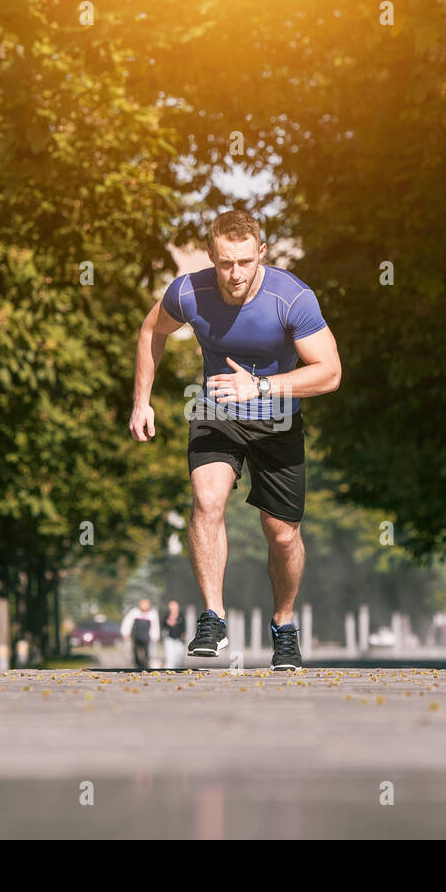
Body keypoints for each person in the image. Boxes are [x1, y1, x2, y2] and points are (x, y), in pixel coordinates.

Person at [128, 210, 341, 671]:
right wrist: (141, 401)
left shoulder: (292, 298)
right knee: (207, 502)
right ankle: (213, 617)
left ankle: (284, 625)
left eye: (245, 261)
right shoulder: (188, 292)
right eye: (226, 263)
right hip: (216, 409)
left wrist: (260, 386)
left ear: (261, 252)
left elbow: (330, 373)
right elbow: (151, 330)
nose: (236, 274)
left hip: (278, 417)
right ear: (211, 255)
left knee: (282, 535)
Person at [121, 597, 160, 670]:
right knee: (135, 654)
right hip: (136, 637)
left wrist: (155, 636)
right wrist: (125, 633)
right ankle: (138, 667)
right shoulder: (134, 612)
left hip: (146, 638)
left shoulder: (152, 614)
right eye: (142, 604)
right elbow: (127, 623)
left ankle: (145, 668)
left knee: (147, 655)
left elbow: (155, 626)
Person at [161, 600, 187, 669]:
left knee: (178, 657)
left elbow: (184, 628)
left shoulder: (181, 616)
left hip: (179, 640)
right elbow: (163, 627)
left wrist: (184, 636)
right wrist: (168, 622)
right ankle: (170, 670)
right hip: (169, 639)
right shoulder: (166, 616)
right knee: (170, 657)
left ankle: (178, 670)